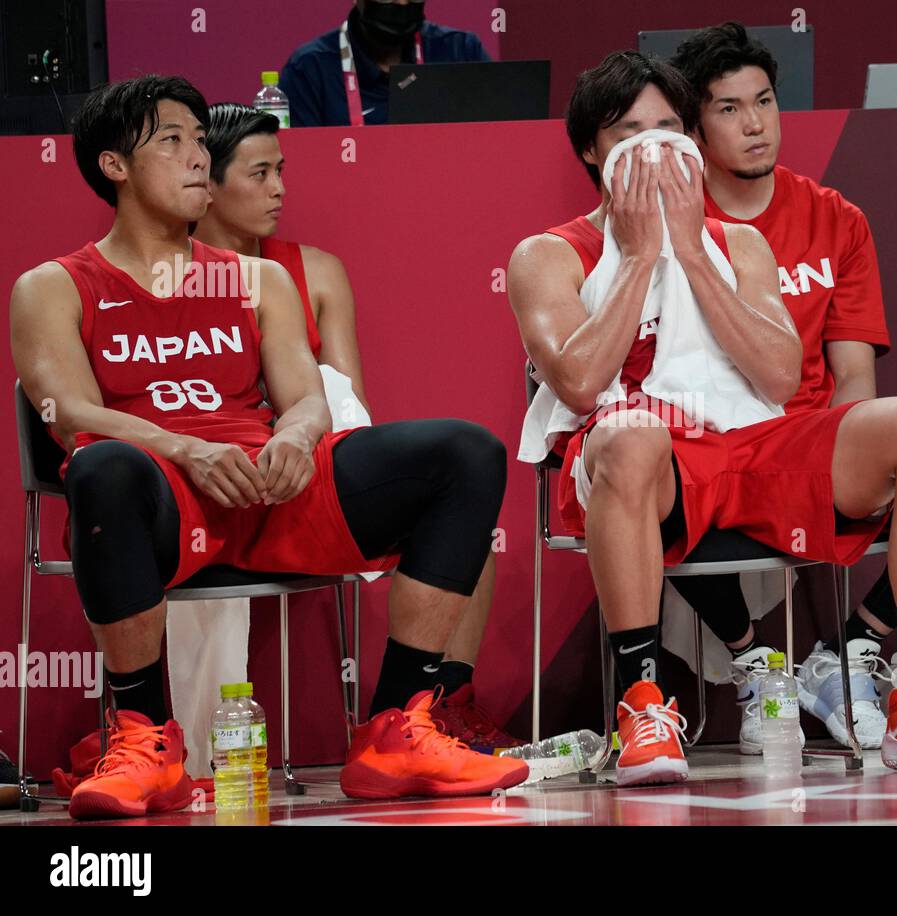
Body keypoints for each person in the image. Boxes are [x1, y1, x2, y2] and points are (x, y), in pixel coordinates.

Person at [8, 75, 526, 819]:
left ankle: (393, 728)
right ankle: (145, 740)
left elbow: (308, 394)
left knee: (465, 451)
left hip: (270, 487)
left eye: (199, 141)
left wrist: (297, 433)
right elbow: (69, 414)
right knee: (98, 465)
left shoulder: (259, 280)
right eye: (173, 141)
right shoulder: (52, 286)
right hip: (162, 494)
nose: (197, 159)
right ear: (114, 166)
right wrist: (183, 450)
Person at [507, 51, 897, 785]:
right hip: (643, 458)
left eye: (670, 130)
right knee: (631, 432)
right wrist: (643, 256)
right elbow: (581, 385)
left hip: (752, 443)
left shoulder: (738, 242)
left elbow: (778, 374)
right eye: (629, 134)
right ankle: (643, 706)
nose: (655, 152)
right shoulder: (548, 255)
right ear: (591, 149)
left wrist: (693, 257)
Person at [664, 23, 897, 753]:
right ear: (694, 131)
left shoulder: (835, 216)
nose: (756, 123)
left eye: (764, 101)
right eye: (729, 109)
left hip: (806, 443)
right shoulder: (674, 222)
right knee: (660, 482)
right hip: (709, 445)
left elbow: (854, 377)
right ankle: (758, 659)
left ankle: (859, 654)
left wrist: (854, 460)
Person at [193, 102, 520, 753]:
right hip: (212, 483)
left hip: (307, 472)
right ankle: (165, 733)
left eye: (280, 171)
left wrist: (294, 431)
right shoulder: (163, 276)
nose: (280, 189)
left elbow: (345, 403)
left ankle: (436, 703)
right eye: (259, 174)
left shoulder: (314, 271)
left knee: (459, 492)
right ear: (206, 181)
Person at [279, 0, 490, 127]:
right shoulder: (308, 70)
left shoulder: (461, 51)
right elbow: (300, 170)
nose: (401, 4)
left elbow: (500, 144)